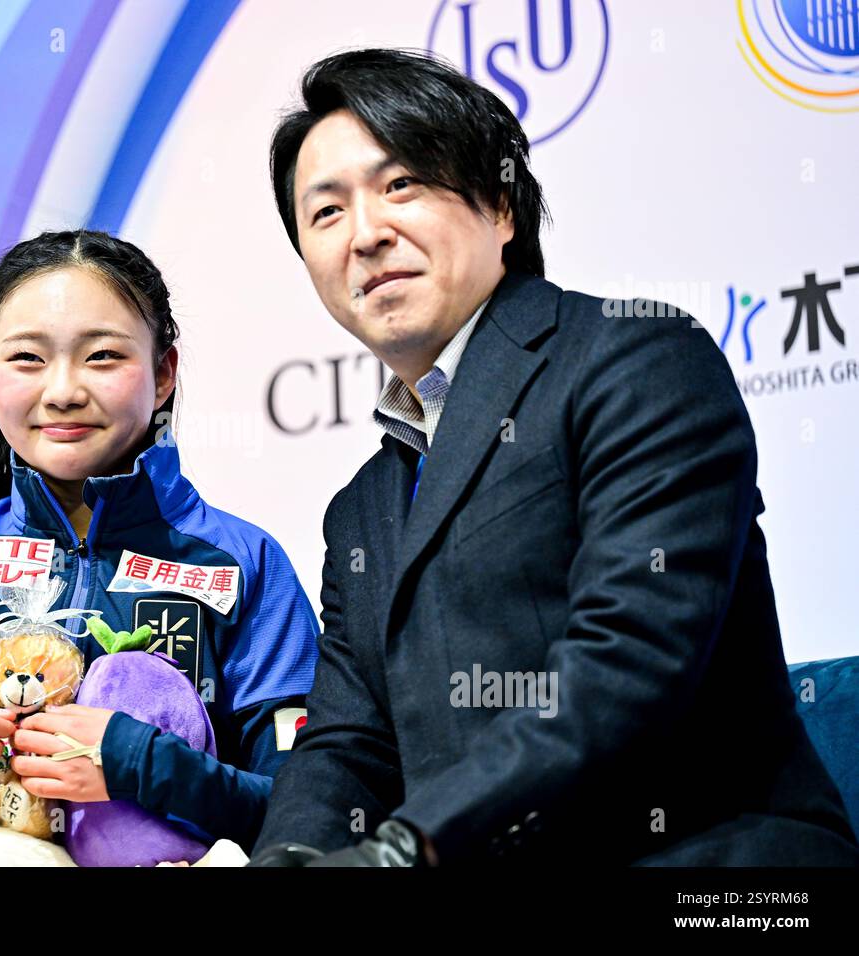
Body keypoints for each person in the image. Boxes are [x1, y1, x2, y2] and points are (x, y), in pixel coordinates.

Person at [249, 48, 859, 866]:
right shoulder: (361, 507)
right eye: (325, 214)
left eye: (400, 185)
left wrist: (403, 851)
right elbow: (346, 747)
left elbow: (627, 661)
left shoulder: (634, 358)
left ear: (501, 205)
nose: (365, 234)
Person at [0, 229, 319, 853]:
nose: (62, 391)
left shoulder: (244, 563)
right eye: (28, 358)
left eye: (103, 356)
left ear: (164, 371)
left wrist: (139, 763)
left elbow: (312, 808)